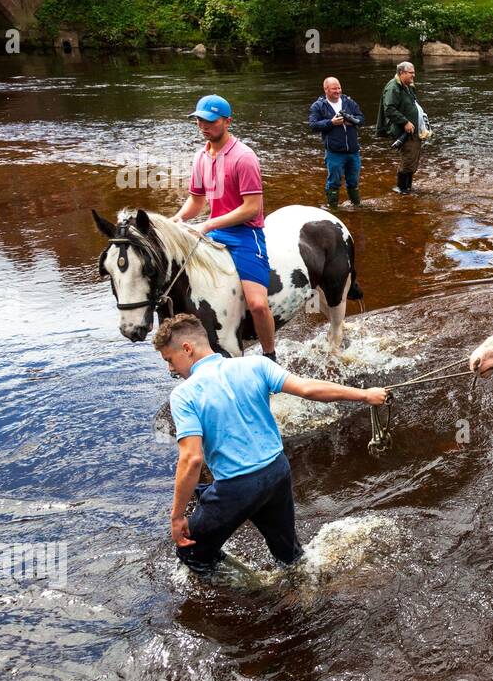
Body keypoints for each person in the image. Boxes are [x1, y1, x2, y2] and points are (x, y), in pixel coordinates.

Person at [158, 314, 388, 572]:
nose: (170, 369)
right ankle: (299, 590)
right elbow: (308, 389)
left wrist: (177, 517)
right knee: (289, 557)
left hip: (236, 487)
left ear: (187, 349)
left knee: (190, 551)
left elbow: (192, 459)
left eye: (169, 359)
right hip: (277, 472)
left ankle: (252, 593)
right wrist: (366, 395)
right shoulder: (256, 364)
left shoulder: (184, 395)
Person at [172, 95, 278, 362]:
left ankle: (269, 356)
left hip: (245, 233)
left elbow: (252, 207)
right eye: (198, 120)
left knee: (256, 303)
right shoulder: (201, 157)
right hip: (214, 231)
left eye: (210, 121)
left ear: (227, 122)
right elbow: (196, 201)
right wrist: (177, 221)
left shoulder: (244, 157)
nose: (203, 126)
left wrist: (208, 224)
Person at [309, 77, 364, 208]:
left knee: (354, 181)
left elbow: (361, 118)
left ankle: (356, 206)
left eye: (339, 88)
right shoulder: (318, 106)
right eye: (334, 88)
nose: (338, 91)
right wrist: (331, 122)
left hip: (353, 150)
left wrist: (352, 121)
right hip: (334, 152)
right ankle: (333, 208)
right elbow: (313, 125)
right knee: (334, 181)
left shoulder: (348, 102)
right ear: (326, 89)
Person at [377, 62, 426, 195]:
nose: (414, 75)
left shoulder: (408, 86)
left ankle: (408, 188)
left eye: (413, 72)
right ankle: (401, 189)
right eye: (411, 73)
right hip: (403, 131)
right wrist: (405, 122)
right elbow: (389, 109)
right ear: (401, 73)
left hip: (413, 131)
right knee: (408, 159)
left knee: (413, 158)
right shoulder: (393, 87)